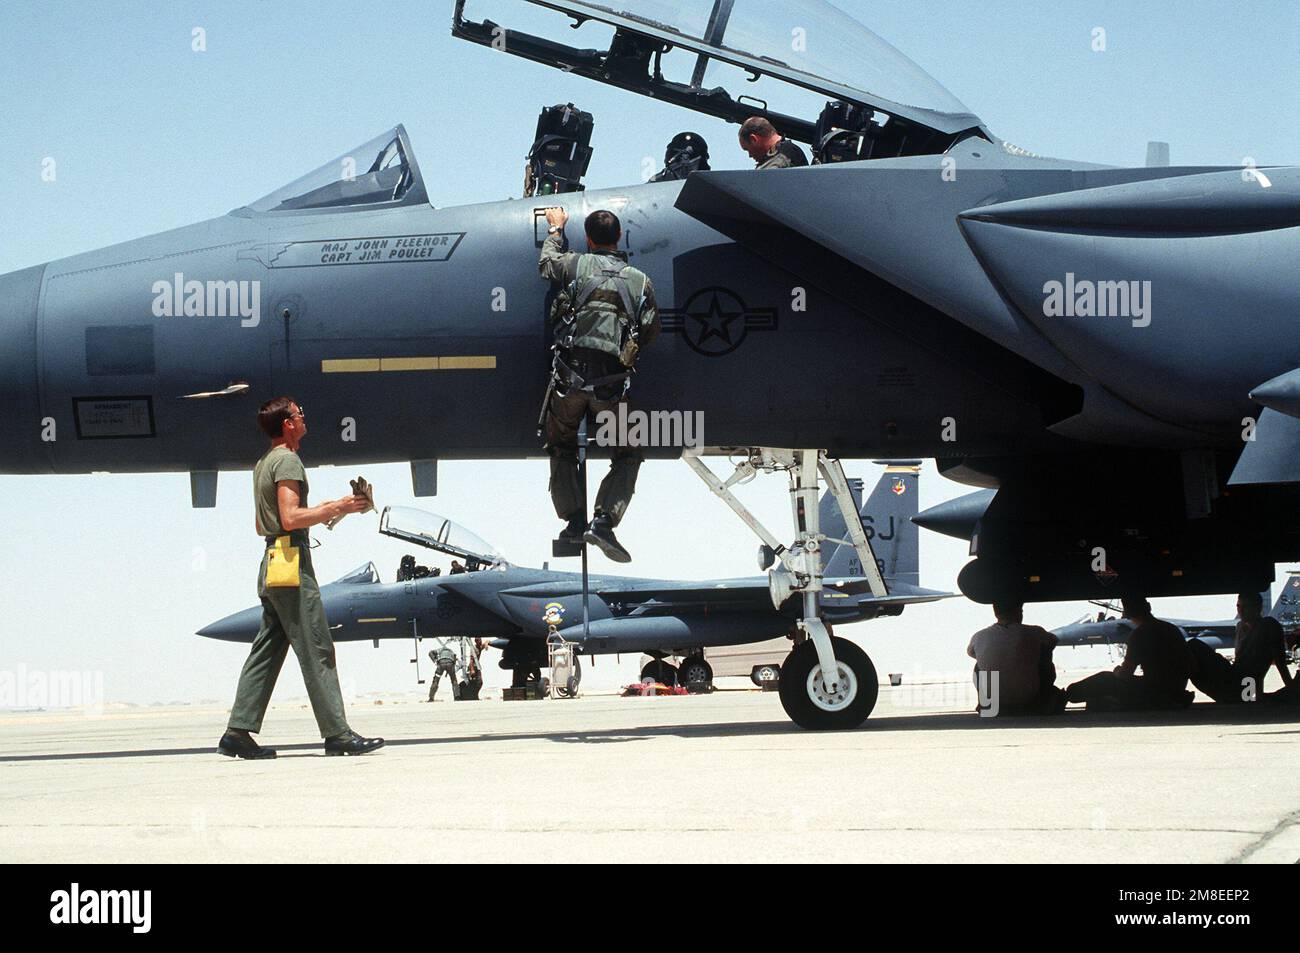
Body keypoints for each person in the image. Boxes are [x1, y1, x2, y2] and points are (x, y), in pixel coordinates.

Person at [218, 397, 385, 759]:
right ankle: (338, 735)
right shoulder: (287, 460)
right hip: (292, 562)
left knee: (267, 648)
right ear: (287, 424)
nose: (304, 416)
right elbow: (291, 518)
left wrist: (335, 510)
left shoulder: (263, 463)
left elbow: (264, 524)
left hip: (273, 559)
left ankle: (237, 732)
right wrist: (340, 506)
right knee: (317, 648)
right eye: (298, 413)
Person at [539, 207, 659, 562]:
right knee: (628, 453)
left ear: (589, 239)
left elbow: (547, 264)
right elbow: (651, 329)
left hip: (569, 382)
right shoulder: (639, 280)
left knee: (561, 446)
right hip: (611, 388)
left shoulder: (575, 265)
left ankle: (574, 523)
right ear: (619, 237)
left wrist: (555, 230)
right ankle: (603, 521)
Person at [1066, 596, 1192, 710]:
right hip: (1176, 690)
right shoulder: (1172, 629)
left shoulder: (1140, 634)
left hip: (1155, 693)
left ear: (1126, 614)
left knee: (1105, 678)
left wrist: (1116, 672)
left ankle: (1066, 695)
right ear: (1148, 607)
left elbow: (1125, 675)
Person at [1187, 591, 1295, 702]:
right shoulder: (1240, 626)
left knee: (1193, 645)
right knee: (1190, 650)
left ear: (1258, 608)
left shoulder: (1268, 625)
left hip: (1242, 686)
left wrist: (1291, 690)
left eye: (1246, 606)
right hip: (1236, 683)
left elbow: (1280, 663)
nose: (1241, 610)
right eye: (1238, 606)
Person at [967, 602, 1063, 715]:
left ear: (996, 614)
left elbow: (972, 653)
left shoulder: (979, 636)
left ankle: (986, 704)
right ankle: (1042, 700)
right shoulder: (1036, 632)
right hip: (1030, 698)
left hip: (995, 701)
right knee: (1044, 652)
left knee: (979, 666)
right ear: (1018, 612)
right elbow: (1052, 642)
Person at [738, 116, 809, 170]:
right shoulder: (781, 154)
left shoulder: (785, 154)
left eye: (747, 149)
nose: (750, 155)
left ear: (753, 139)